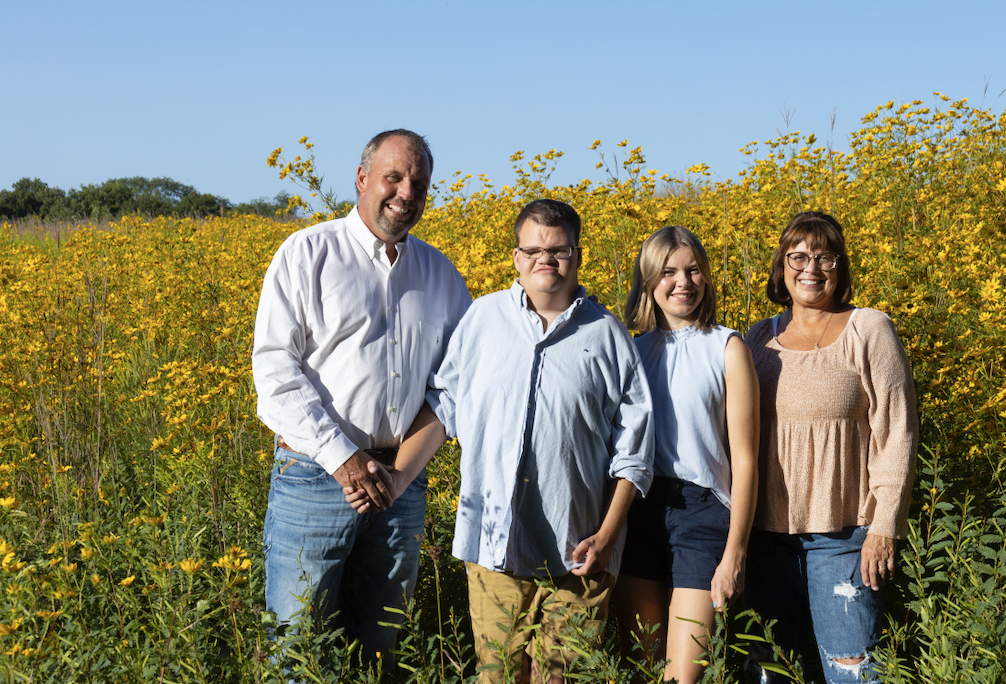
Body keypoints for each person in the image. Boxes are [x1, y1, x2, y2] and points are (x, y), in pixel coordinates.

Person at [347, 199, 655, 684]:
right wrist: (398, 475)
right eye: (533, 250)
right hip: (495, 546)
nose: (545, 260)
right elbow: (443, 407)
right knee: (498, 676)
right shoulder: (483, 320)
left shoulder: (609, 335)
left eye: (558, 250)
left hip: (581, 549)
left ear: (578, 256)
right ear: (515, 257)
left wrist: (609, 535)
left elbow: (635, 454)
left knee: (564, 678)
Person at [252, 129, 472, 662]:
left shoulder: (441, 276)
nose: (405, 193)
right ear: (362, 179)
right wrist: (343, 459)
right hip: (313, 476)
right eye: (393, 178)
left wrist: (398, 476)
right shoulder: (308, 253)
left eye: (418, 183)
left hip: (401, 485)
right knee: (297, 649)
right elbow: (275, 371)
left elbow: (453, 388)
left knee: (383, 649)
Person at [743, 211, 918, 683]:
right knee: (769, 674)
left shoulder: (869, 329)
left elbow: (897, 431)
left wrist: (885, 527)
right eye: (797, 257)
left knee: (853, 671)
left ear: (841, 267)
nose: (811, 269)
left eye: (824, 257)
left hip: (843, 541)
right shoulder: (758, 337)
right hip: (763, 541)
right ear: (781, 267)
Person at [611, 226, 759, 684]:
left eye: (693, 270)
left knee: (684, 675)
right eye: (669, 272)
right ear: (649, 280)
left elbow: (747, 459)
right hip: (640, 510)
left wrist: (735, 552)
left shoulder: (728, 347)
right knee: (643, 670)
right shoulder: (631, 350)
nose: (683, 282)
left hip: (702, 515)